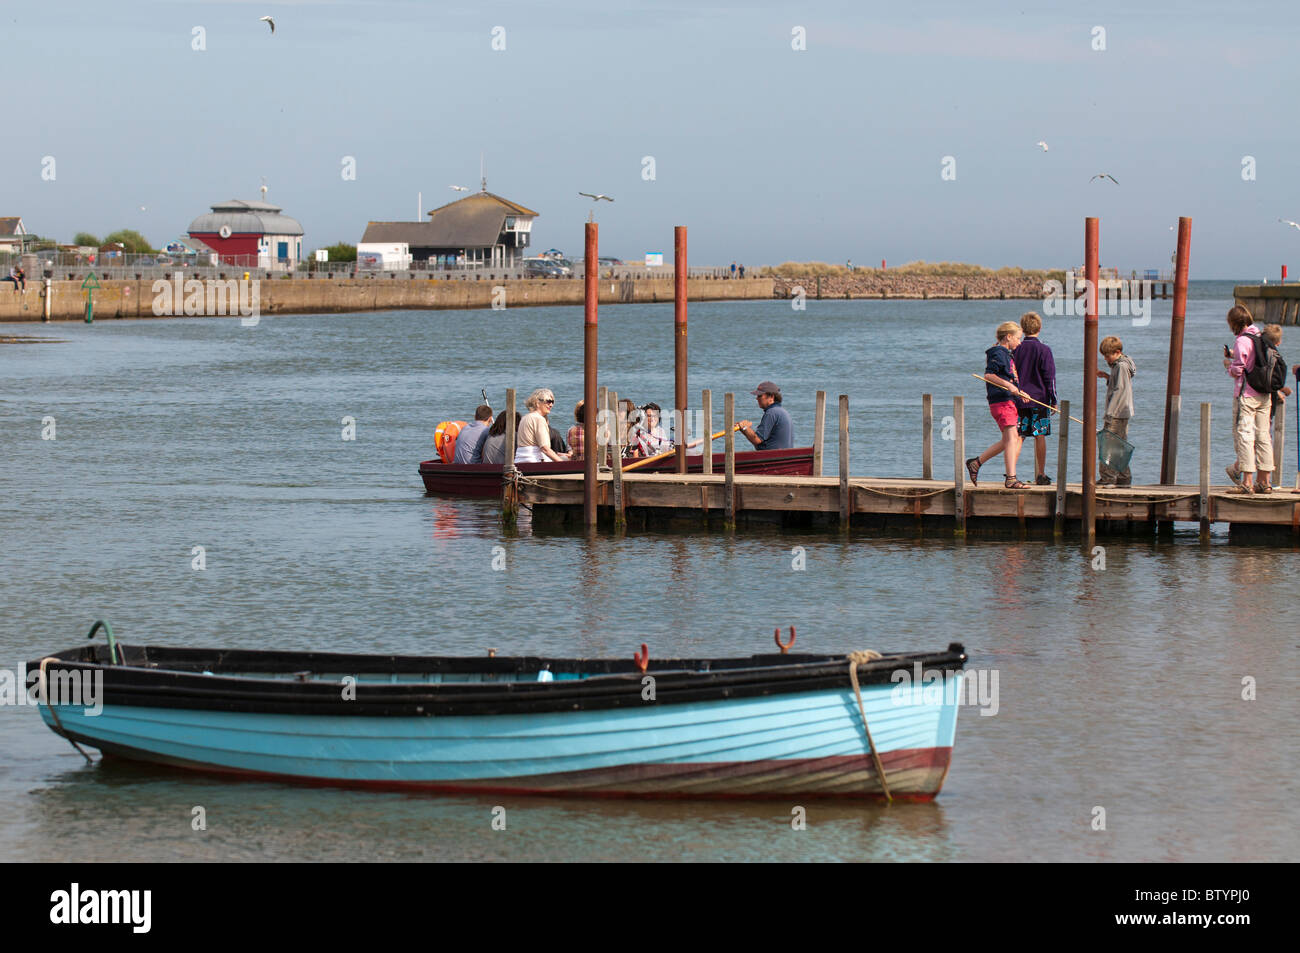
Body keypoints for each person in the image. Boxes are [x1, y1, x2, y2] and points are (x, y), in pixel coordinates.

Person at [966, 321, 1028, 489]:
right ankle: (1011, 479)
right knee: (1011, 439)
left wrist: (1020, 392)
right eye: (1017, 338)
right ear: (1008, 337)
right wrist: (1009, 386)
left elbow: (1010, 379)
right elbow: (989, 375)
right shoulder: (998, 353)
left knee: (1012, 439)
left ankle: (976, 463)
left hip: (1008, 400)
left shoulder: (1006, 354)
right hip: (1001, 401)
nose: (1019, 342)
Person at [1223, 305, 1271, 494]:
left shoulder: (1242, 340)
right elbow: (1253, 358)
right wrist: (1234, 355)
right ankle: (1265, 482)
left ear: (1234, 323)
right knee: (1263, 437)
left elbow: (1238, 370)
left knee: (1245, 436)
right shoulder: (1259, 336)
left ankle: (1247, 483)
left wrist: (1229, 364)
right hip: (1264, 394)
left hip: (1247, 395)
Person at [1013, 312, 1058, 485]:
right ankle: (1041, 473)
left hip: (1020, 399)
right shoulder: (1044, 350)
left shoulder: (1016, 349)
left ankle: (1012, 473)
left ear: (1022, 329)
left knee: (1019, 436)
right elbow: (1050, 377)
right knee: (1040, 435)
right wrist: (1053, 399)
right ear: (1040, 328)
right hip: (1039, 399)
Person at [1097, 335, 1136, 487]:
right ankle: (1123, 478)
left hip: (1117, 413)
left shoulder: (1121, 366)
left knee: (1108, 446)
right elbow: (1119, 385)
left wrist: (1110, 414)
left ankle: (1109, 478)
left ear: (1117, 352)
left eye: (1108, 356)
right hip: (1122, 412)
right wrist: (1107, 377)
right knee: (1119, 445)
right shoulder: (1120, 366)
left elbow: (1120, 391)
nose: (1106, 359)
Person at [515, 388, 569, 463]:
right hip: (534, 460)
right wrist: (563, 464)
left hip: (519, 459)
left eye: (552, 402)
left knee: (564, 457)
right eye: (548, 401)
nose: (551, 405)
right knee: (568, 460)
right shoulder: (539, 419)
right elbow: (545, 449)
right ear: (537, 403)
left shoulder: (524, 418)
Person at [738, 381, 793, 450]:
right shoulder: (782, 411)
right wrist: (744, 429)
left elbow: (756, 440)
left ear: (771, 397)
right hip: (783, 455)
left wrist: (745, 428)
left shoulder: (771, 413)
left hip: (774, 456)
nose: (757, 398)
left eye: (760, 396)